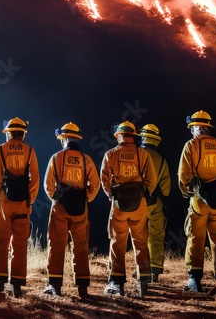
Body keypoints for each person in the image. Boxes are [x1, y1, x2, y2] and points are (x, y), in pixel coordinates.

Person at [177, 110, 216, 293]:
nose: (192, 131)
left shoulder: (191, 146)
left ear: (196, 128)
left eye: (192, 128)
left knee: (196, 238)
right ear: (208, 128)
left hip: (199, 201)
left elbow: (184, 175)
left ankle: (194, 280)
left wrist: (187, 191)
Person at [42, 122, 100, 298]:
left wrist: (57, 199)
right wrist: (85, 199)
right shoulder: (86, 159)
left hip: (60, 208)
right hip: (81, 210)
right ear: (76, 138)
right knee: (81, 247)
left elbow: (48, 185)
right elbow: (95, 185)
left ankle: (55, 286)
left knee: (57, 245)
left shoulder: (56, 158)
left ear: (64, 139)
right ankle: (82, 288)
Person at [100, 121, 157, 298]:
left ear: (119, 136)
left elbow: (104, 180)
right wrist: (143, 194)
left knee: (117, 243)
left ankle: (117, 282)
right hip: (139, 203)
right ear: (134, 136)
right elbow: (152, 179)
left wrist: (112, 195)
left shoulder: (111, 154)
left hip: (119, 205)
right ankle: (144, 281)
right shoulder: (143, 154)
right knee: (141, 242)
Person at [0, 117, 40, 298]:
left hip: (3, 203)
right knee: (20, 244)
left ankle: (0, 285)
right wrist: (29, 201)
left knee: (1, 242)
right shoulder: (30, 151)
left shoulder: (0, 150)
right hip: (22, 205)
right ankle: (17, 286)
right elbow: (35, 180)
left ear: (8, 133)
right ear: (23, 134)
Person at [140, 123, 172, 282]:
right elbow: (166, 190)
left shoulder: (135, 154)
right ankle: (155, 272)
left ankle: (140, 271)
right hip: (153, 204)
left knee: (135, 238)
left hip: (132, 205)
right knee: (156, 237)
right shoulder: (162, 160)